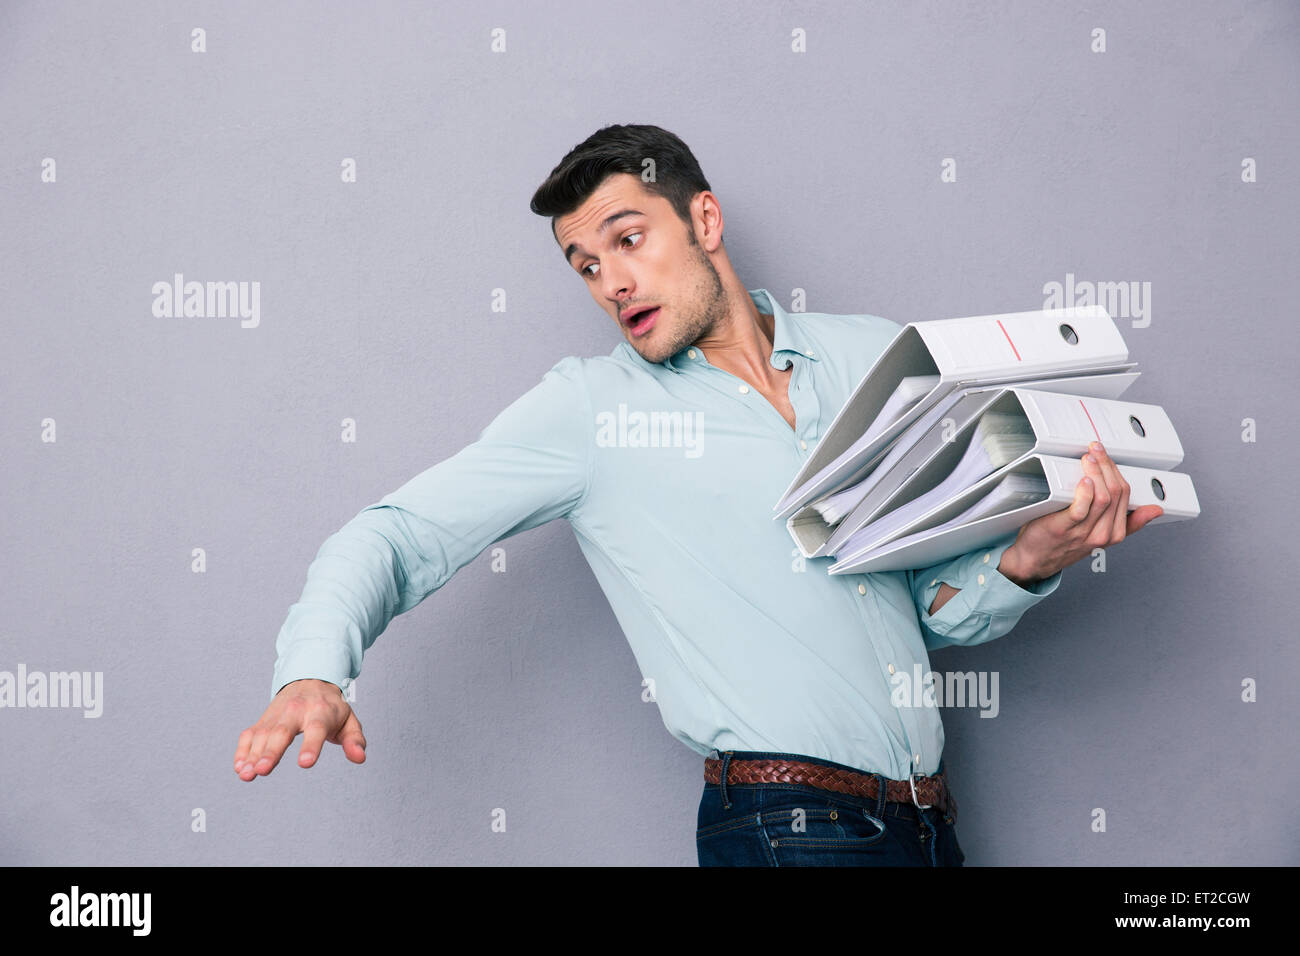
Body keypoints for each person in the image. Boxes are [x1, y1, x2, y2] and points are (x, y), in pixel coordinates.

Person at [232, 123, 1163, 866]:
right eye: (586, 264)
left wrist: (1028, 558)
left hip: (929, 826)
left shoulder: (876, 357)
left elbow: (919, 605)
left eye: (627, 239)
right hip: (783, 829)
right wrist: (314, 669)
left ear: (705, 223)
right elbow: (394, 536)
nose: (611, 281)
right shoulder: (591, 411)